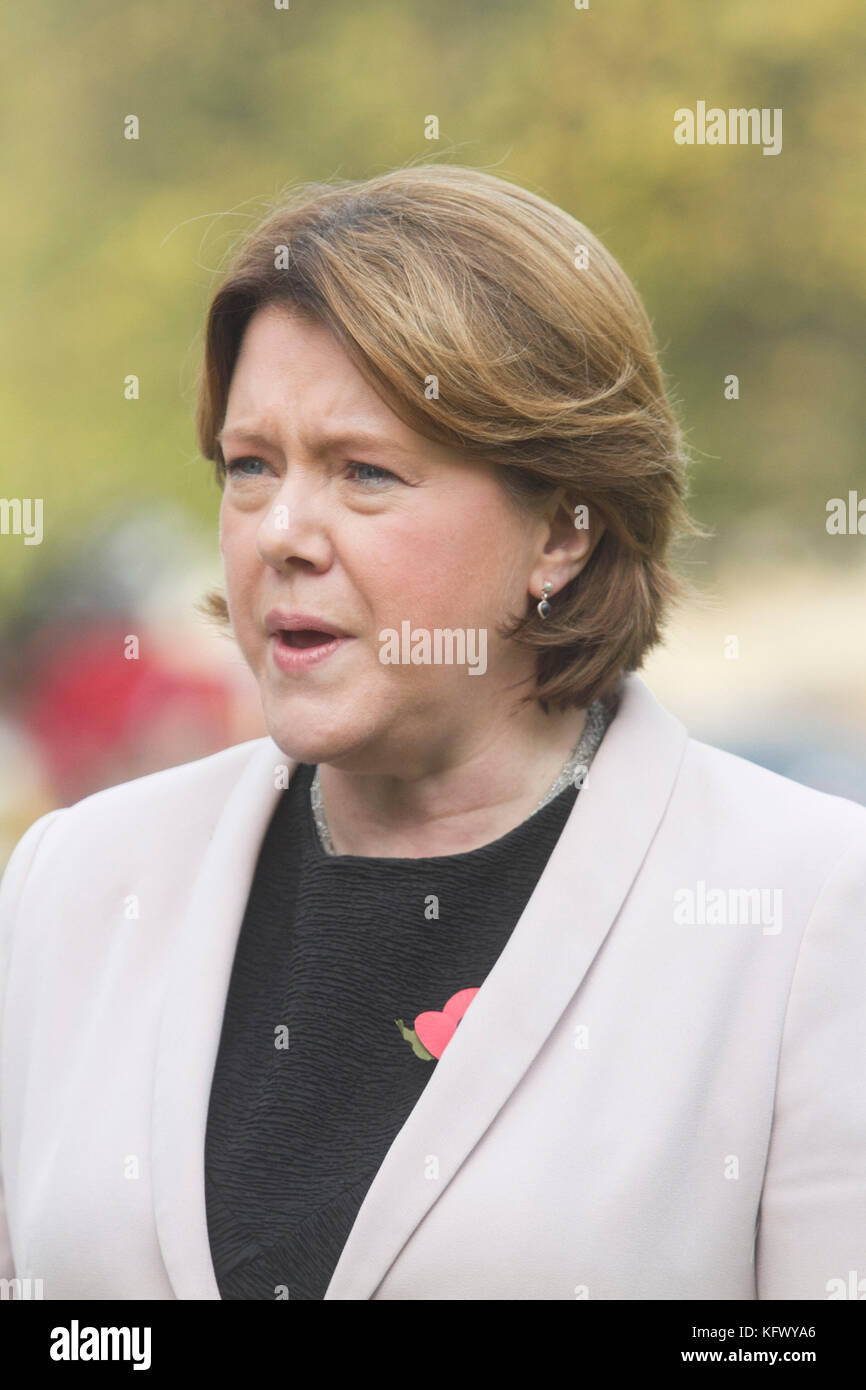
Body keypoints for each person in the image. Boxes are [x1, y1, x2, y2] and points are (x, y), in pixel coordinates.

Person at [1, 164, 864, 1301]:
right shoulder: (77, 879)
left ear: (561, 532)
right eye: (251, 467)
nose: (282, 533)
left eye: (364, 473)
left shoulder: (806, 910)